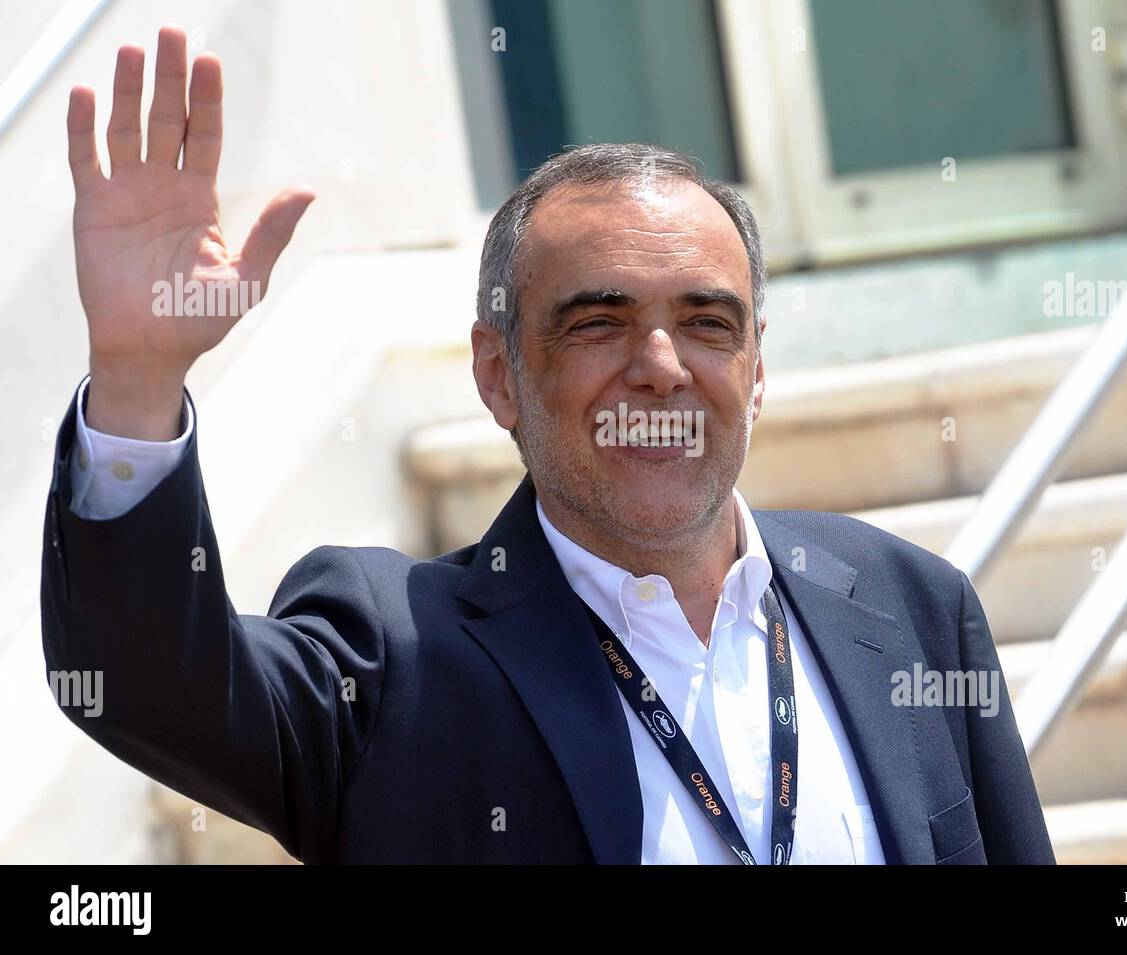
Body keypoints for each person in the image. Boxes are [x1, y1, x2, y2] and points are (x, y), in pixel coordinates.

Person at [42, 27, 1055, 864]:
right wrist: (138, 378)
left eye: (708, 323)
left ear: (755, 372)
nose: (661, 366)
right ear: (498, 376)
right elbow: (151, 683)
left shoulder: (908, 607)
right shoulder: (397, 653)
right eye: (597, 324)